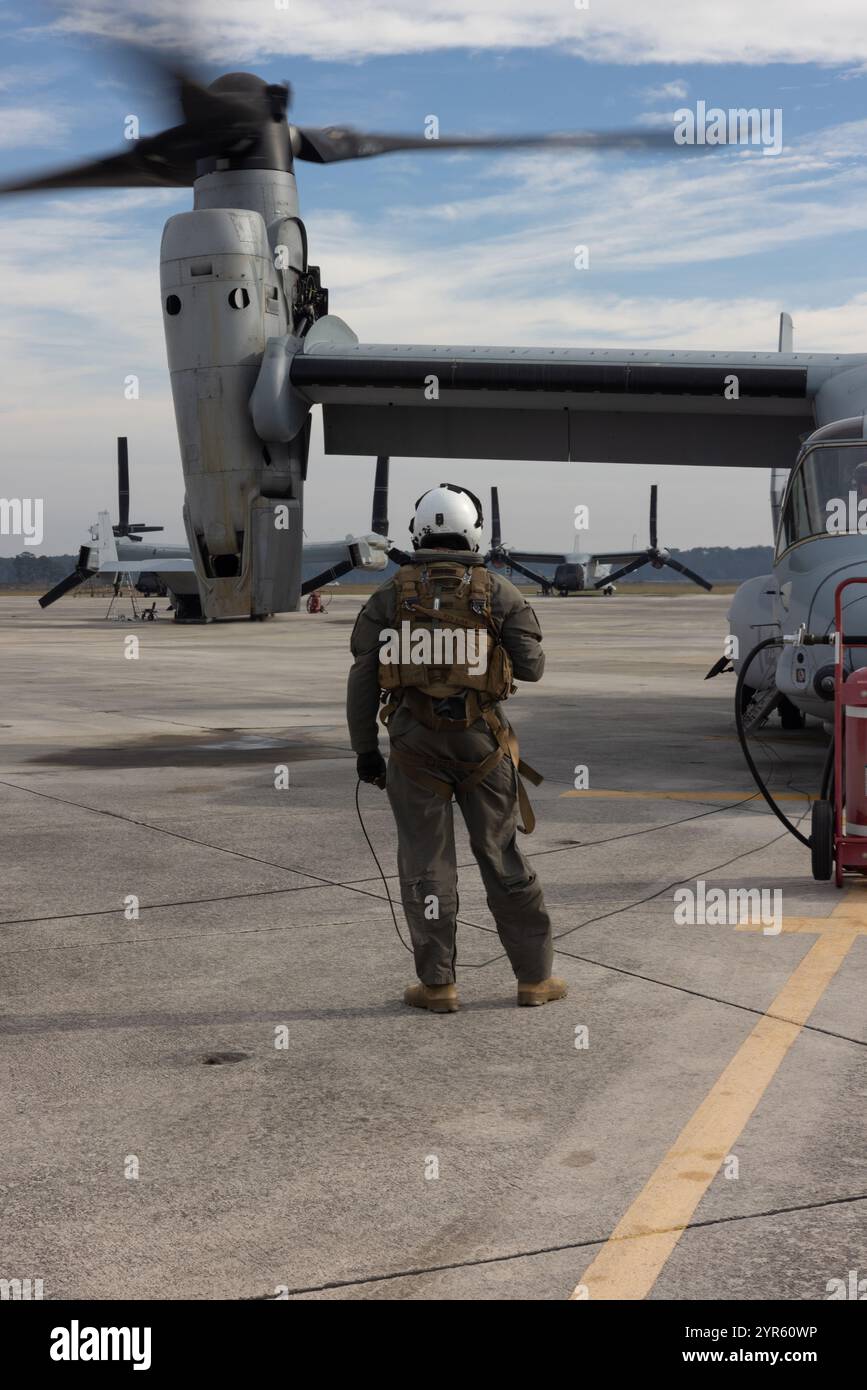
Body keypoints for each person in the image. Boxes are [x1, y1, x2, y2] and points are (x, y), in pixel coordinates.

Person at [347, 483, 566, 1014]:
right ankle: (534, 981)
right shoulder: (498, 592)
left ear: (420, 530)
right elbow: (533, 668)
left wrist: (365, 752)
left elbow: (363, 677)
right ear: (474, 531)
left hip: (414, 748)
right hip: (483, 746)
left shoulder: (388, 596)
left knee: (426, 865)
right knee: (501, 855)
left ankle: (439, 985)